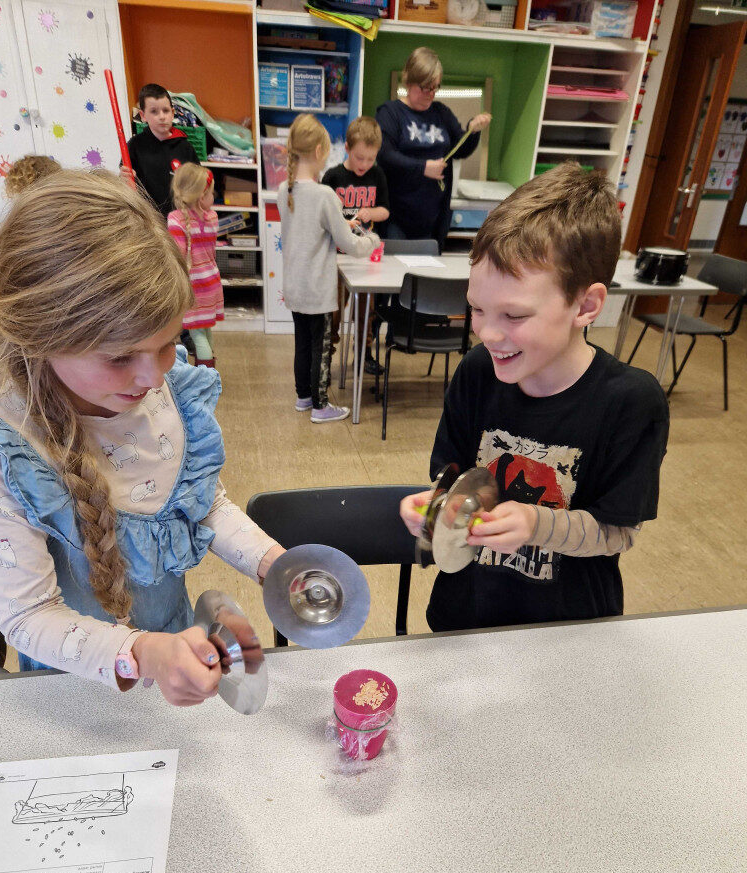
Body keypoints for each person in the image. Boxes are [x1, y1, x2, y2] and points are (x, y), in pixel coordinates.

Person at [0, 170, 284, 707]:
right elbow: (28, 617)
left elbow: (201, 500)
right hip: (72, 690)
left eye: (168, 344)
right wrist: (143, 653)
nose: (153, 378)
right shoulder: (3, 452)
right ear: (40, 337)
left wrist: (269, 561)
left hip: (173, 656)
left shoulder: (156, 388)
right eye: (119, 357)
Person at [400, 163, 669, 633]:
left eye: (514, 314)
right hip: (467, 611)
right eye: (478, 308)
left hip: (565, 627)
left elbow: (618, 531)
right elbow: (458, 479)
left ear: (585, 306)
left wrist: (537, 525)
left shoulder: (630, 402)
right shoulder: (478, 372)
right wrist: (435, 509)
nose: (486, 332)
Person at [278, 113, 380, 424]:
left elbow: (310, 228)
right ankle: (321, 406)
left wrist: (339, 223)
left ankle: (304, 397)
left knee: (302, 343)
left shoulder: (286, 189)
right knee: (321, 347)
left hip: (295, 286)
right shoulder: (325, 195)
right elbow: (350, 244)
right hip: (318, 289)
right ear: (320, 152)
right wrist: (372, 240)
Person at [376, 47, 491, 251]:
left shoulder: (441, 113)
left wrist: (473, 131)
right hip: (397, 217)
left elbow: (460, 150)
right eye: (425, 88)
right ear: (409, 81)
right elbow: (385, 155)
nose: (430, 94)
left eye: (435, 87)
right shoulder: (390, 113)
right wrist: (423, 168)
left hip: (433, 218)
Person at [322, 115, 390, 377]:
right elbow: (322, 215)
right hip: (337, 259)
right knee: (335, 313)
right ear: (347, 149)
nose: (364, 164)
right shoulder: (333, 176)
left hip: (367, 259)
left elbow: (385, 210)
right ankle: (327, 360)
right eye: (359, 157)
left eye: (370, 159)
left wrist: (372, 213)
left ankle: (364, 355)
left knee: (367, 313)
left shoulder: (378, 174)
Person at [167, 164, 223, 368]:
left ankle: (205, 377)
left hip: (194, 287)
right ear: (201, 196)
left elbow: (178, 257)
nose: (213, 197)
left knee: (197, 334)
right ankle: (210, 373)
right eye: (211, 192)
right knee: (205, 330)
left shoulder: (176, 220)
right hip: (212, 282)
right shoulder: (213, 217)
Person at [120, 83, 200, 218]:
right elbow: (125, 179)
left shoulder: (185, 147)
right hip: (148, 218)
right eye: (154, 111)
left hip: (181, 219)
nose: (162, 116)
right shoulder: (135, 145)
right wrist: (124, 177)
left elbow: (198, 181)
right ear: (143, 115)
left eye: (166, 110)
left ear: (173, 112)